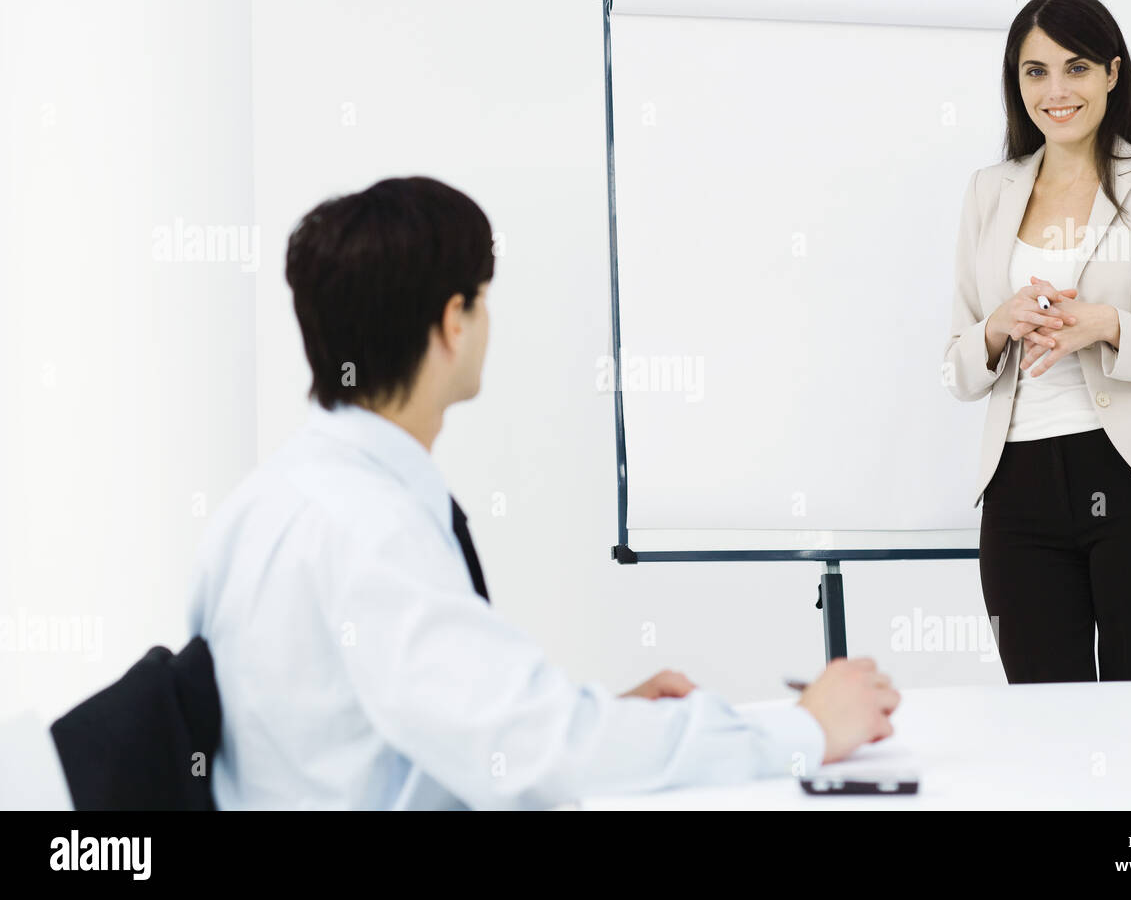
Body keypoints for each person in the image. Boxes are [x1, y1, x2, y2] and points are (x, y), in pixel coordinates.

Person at [188, 176, 900, 809]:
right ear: (453, 321)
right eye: (483, 299)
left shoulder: (263, 503)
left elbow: (414, 739)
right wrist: (801, 728)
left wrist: (614, 724)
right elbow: (534, 752)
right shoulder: (372, 529)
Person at [942, 0, 1131, 684]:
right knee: (1047, 730)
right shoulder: (989, 191)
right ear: (1017, 84)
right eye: (1035, 71)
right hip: (1018, 497)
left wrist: (1109, 327)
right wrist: (997, 325)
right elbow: (955, 367)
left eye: (1075, 67)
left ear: (1112, 72)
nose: (1056, 90)